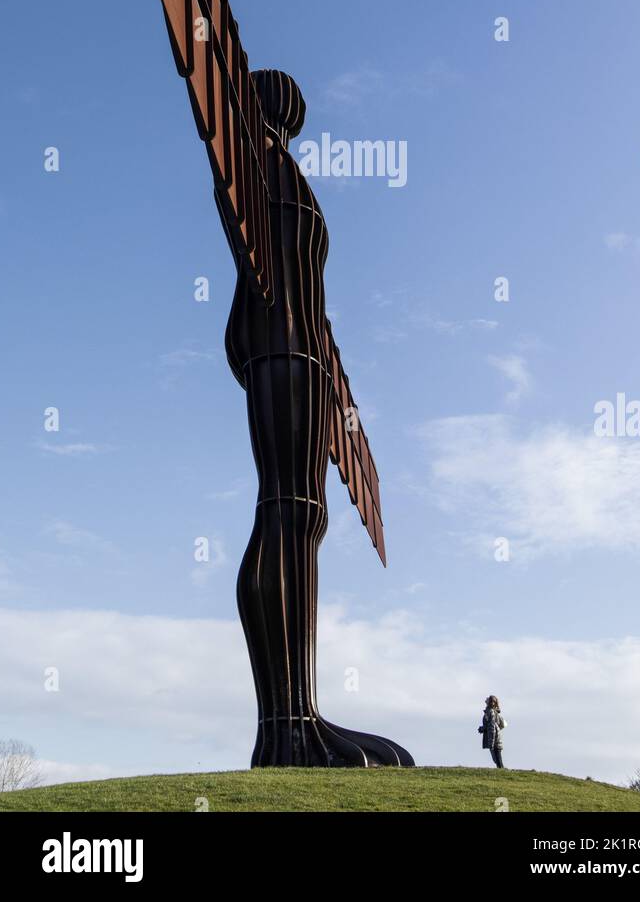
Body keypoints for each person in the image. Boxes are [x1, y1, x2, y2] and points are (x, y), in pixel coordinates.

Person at [216, 69, 414, 769]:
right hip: (277, 348)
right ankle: (284, 728)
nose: (293, 107)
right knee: (284, 509)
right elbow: (253, 258)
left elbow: (307, 280)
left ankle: (303, 715)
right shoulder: (246, 159)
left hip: (307, 357)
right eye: (280, 96)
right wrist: (252, 338)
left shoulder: (285, 169)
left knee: (306, 517)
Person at [478, 694, 506, 768]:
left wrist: (491, 743)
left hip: (494, 739)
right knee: (497, 759)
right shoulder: (492, 711)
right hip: (496, 738)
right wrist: (483, 729)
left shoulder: (490, 712)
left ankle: (502, 773)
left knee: (498, 760)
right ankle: (501, 772)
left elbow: (491, 727)